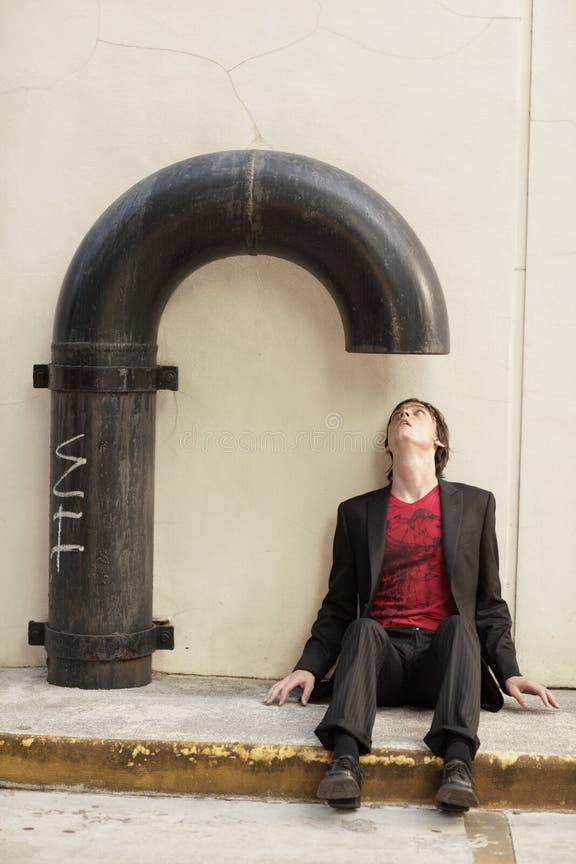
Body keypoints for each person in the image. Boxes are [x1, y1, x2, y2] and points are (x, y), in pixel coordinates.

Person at [265, 398, 559, 812]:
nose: (405, 416)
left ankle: (457, 766)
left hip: (443, 663)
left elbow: (489, 603)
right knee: (363, 628)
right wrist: (308, 666)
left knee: (460, 626)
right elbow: (337, 607)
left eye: (418, 413)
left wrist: (510, 672)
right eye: (397, 415)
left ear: (438, 440)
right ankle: (344, 763)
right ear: (387, 442)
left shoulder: (476, 506)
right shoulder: (356, 513)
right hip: (382, 661)